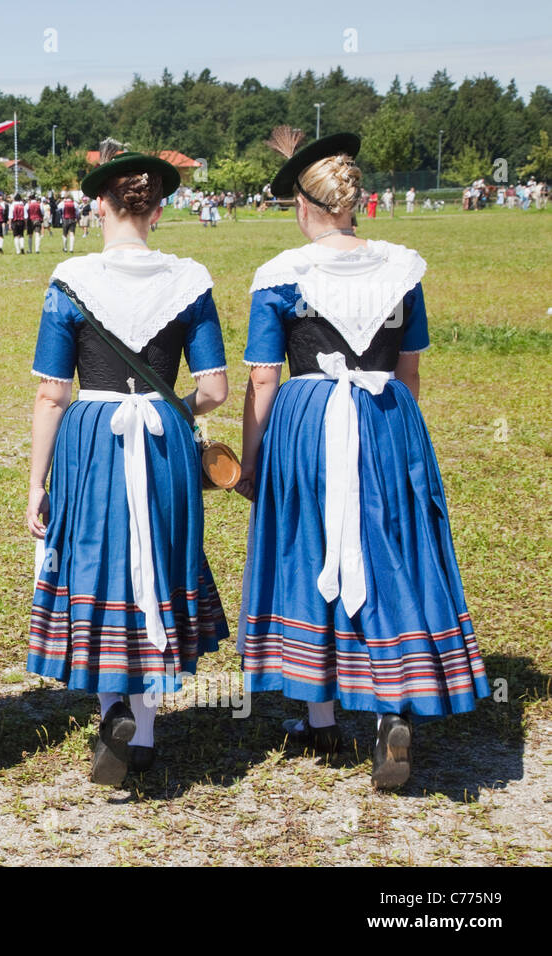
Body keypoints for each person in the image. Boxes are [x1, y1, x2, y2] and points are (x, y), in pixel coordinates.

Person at [237, 129, 489, 790]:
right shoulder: (402, 268)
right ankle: (391, 710)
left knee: (307, 550)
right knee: (388, 556)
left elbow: (264, 378)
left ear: (303, 203)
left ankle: (319, 717)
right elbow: (407, 373)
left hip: (306, 423)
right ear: (350, 200)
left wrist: (254, 460)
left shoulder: (281, 275)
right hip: (382, 419)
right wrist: (397, 441)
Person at [26, 150, 230, 786]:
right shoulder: (189, 280)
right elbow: (217, 388)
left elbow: (52, 393)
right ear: (159, 211)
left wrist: (36, 482)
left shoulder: (70, 281)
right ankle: (141, 731)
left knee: (97, 562)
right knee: (157, 563)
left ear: (99, 207)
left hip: (91, 435)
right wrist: (171, 411)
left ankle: (111, 705)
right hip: (163, 435)